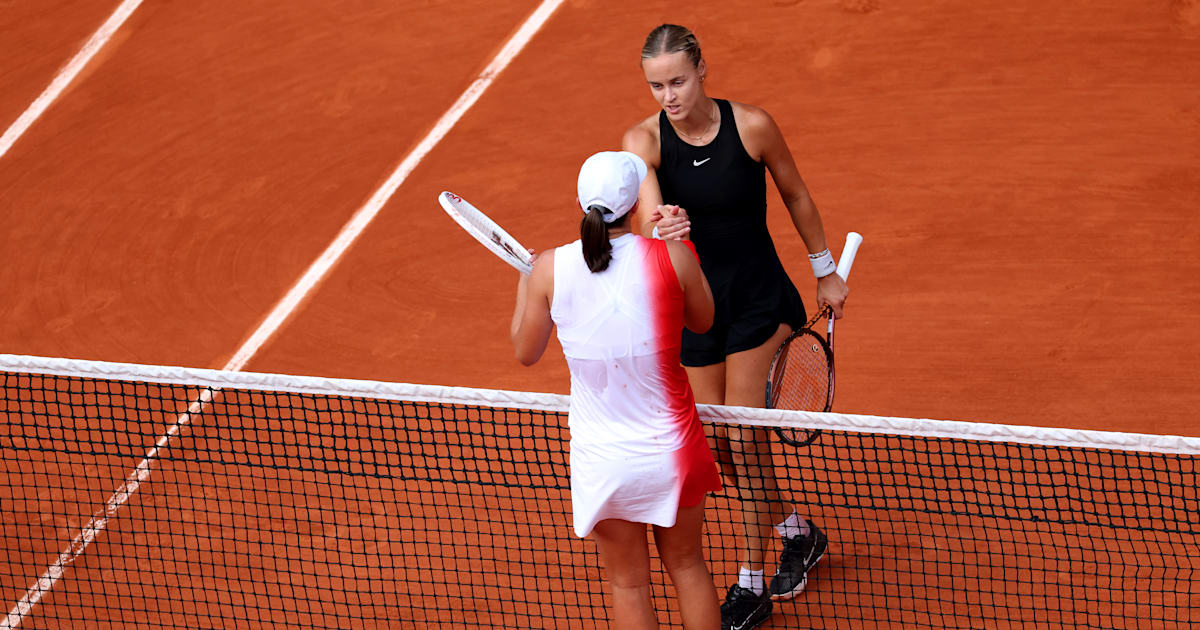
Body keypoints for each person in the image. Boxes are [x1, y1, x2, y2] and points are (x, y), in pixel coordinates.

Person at [621, 24, 850, 630]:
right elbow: (644, 219)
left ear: (702, 71)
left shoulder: (752, 126)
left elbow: (796, 195)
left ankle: (751, 582)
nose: (667, 95)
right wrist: (658, 229)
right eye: (656, 85)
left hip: (758, 301)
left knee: (746, 441)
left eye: (677, 80)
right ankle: (798, 534)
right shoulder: (642, 141)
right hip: (695, 306)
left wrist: (824, 272)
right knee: (718, 446)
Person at [510, 150, 722, 629]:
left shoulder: (549, 268)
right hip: (673, 449)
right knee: (688, 566)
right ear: (635, 207)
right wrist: (684, 245)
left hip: (604, 459)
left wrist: (527, 282)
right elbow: (704, 322)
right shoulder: (671, 255)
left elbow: (525, 351)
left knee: (628, 583)